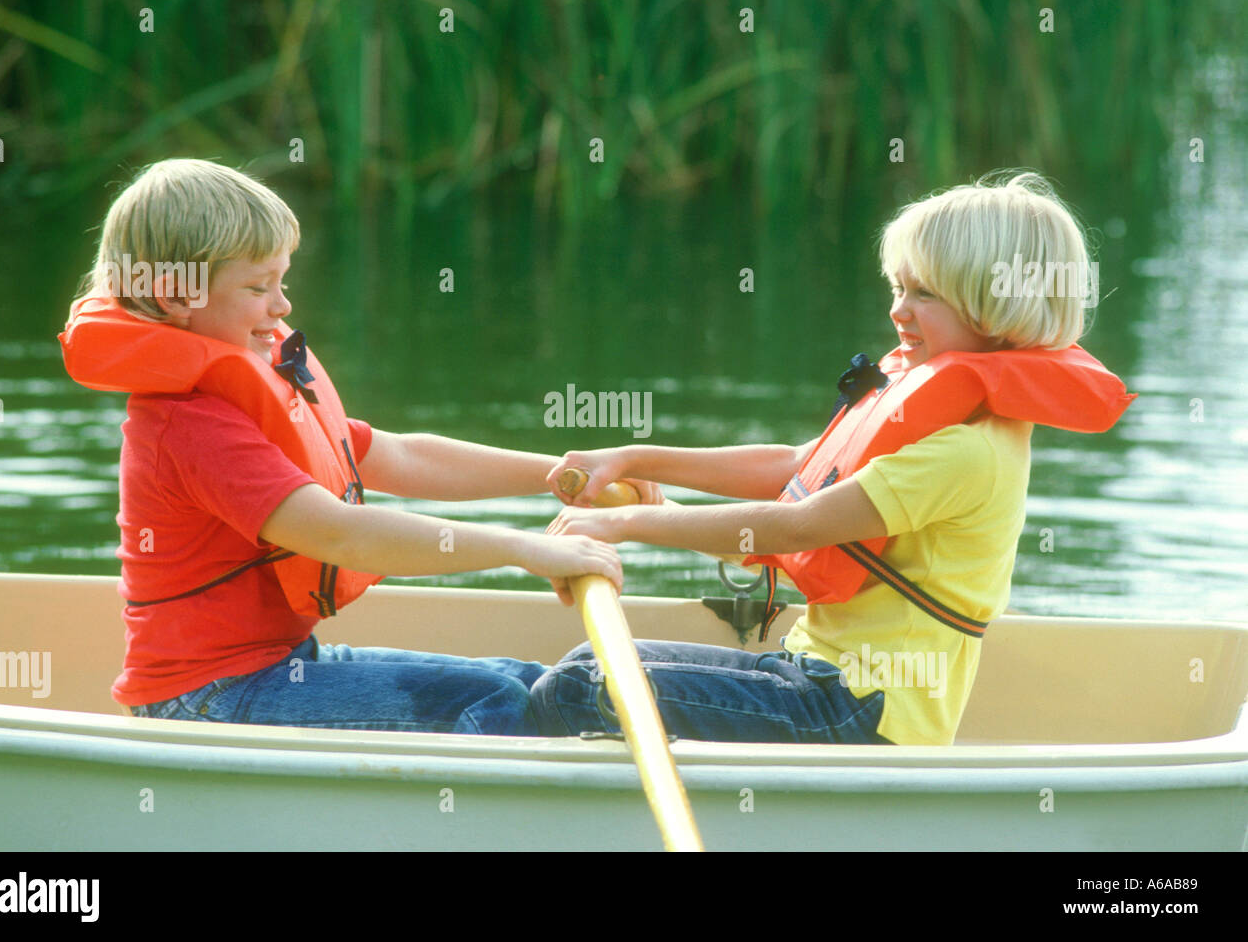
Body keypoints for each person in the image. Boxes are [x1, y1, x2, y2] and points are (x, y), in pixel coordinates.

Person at [533, 171, 1136, 745]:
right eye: (898, 287)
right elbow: (793, 466)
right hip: (818, 677)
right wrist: (636, 460)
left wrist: (625, 523)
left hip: (858, 712)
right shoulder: (943, 415)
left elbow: (799, 522)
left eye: (925, 294)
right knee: (589, 665)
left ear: (999, 307)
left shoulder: (969, 452)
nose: (899, 310)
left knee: (583, 686)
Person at [60, 158, 635, 735]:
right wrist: (526, 549)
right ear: (172, 296)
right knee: (493, 705)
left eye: (282, 281)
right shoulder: (190, 426)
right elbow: (340, 534)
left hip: (280, 667)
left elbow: (399, 456)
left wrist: (562, 474)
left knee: (527, 681)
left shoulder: (243, 390)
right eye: (259, 287)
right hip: (206, 698)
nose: (282, 306)